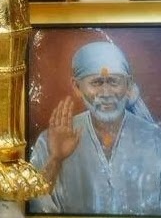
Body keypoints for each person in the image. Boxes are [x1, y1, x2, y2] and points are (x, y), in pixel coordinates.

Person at [29, 40, 161, 214]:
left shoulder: (154, 139)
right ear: (77, 87)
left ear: (128, 85)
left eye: (114, 82)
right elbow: (33, 205)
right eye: (97, 83)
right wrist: (55, 159)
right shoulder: (49, 141)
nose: (106, 94)